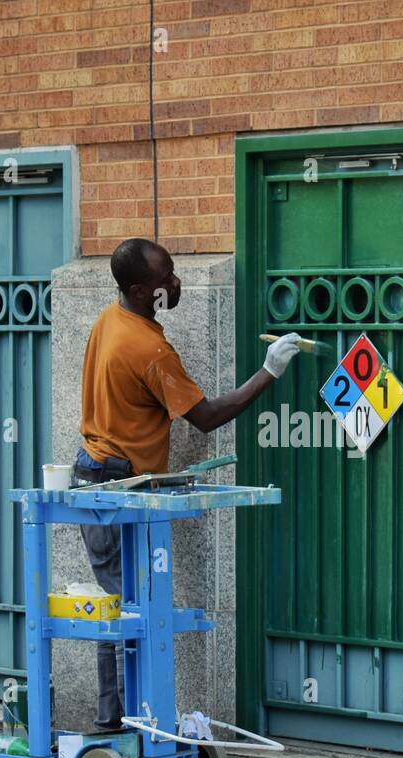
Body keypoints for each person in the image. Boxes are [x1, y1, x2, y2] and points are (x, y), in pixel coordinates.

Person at [74, 237, 302, 732]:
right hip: (117, 484)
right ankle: (115, 726)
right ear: (139, 290)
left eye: (173, 272)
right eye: (165, 280)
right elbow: (206, 417)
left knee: (123, 605)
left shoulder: (110, 319)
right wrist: (269, 372)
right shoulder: (147, 347)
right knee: (126, 609)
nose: (175, 284)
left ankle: (124, 719)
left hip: (105, 476)